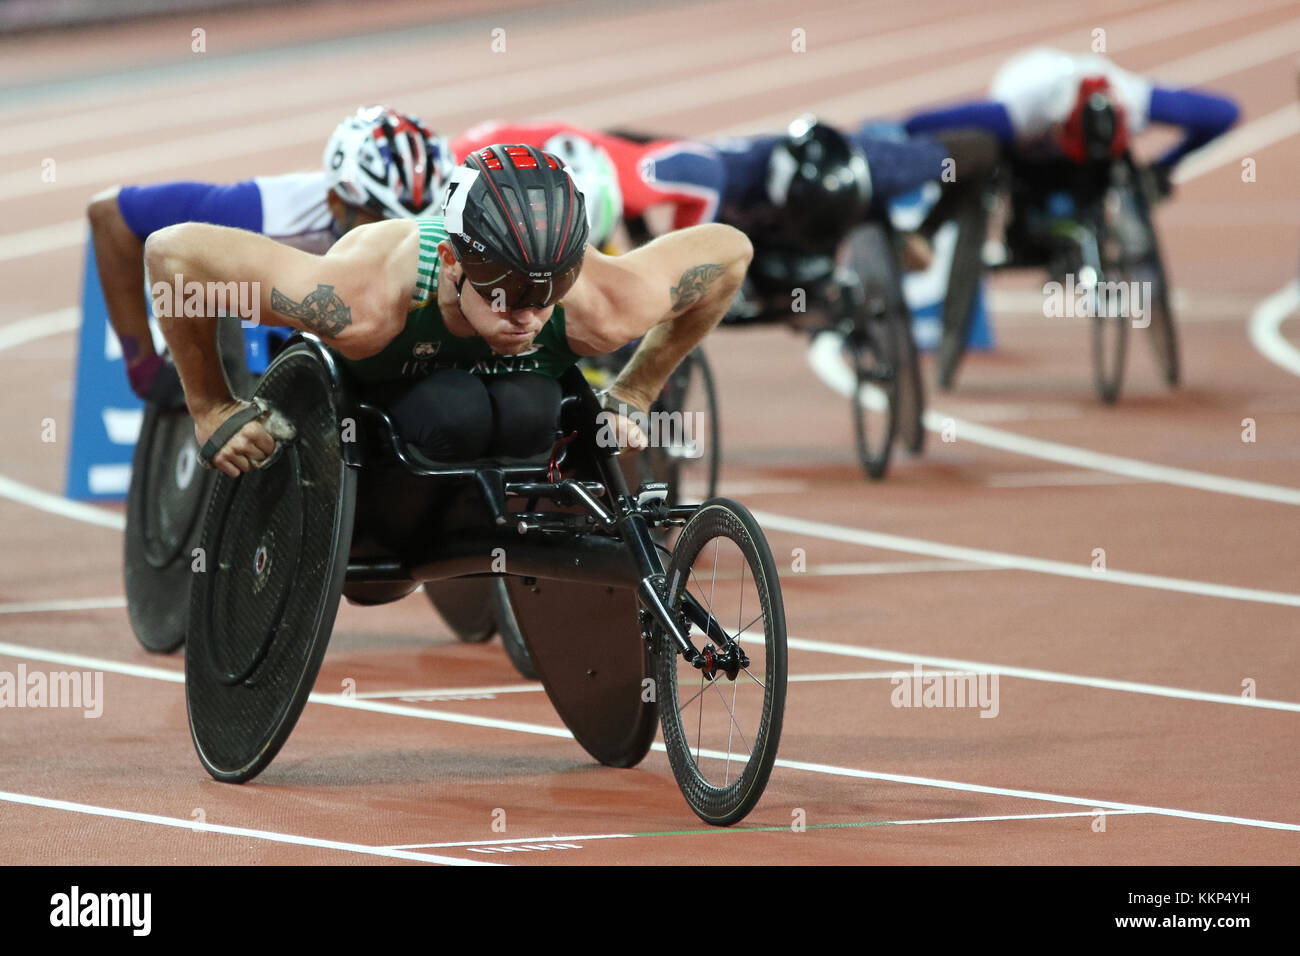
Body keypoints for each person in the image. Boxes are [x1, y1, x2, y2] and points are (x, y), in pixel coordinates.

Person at [143, 143, 752, 475]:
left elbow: (731, 253)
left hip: (509, 409)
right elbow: (173, 256)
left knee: (526, 411)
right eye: (506, 297)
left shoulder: (600, 306)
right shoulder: (362, 302)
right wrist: (211, 405)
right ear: (455, 268)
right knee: (454, 411)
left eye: (545, 301)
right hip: (380, 403)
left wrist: (638, 391)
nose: (527, 319)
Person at [86, 105, 454, 401]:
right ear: (336, 203)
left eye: (422, 228)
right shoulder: (266, 212)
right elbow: (109, 215)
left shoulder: (456, 218)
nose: (406, 243)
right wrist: (143, 368)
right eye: (384, 223)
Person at [903, 47, 1239, 186]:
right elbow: (934, 120)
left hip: (1081, 105)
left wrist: (1164, 167)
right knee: (985, 150)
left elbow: (1224, 113)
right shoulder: (1029, 108)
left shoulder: (1131, 97)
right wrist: (901, 129)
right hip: (1027, 108)